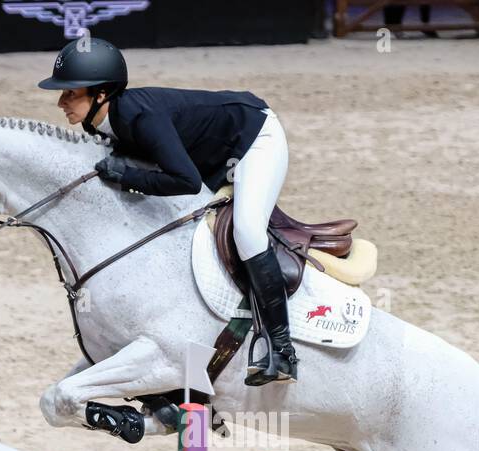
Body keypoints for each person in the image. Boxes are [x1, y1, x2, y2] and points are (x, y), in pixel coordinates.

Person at [38, 37, 297, 386]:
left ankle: (282, 350)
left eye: (70, 93)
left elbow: (186, 181)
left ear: (100, 94)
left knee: (248, 232)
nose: (60, 102)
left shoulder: (139, 116)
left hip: (253, 139)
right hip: (211, 152)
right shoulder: (96, 121)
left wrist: (127, 177)